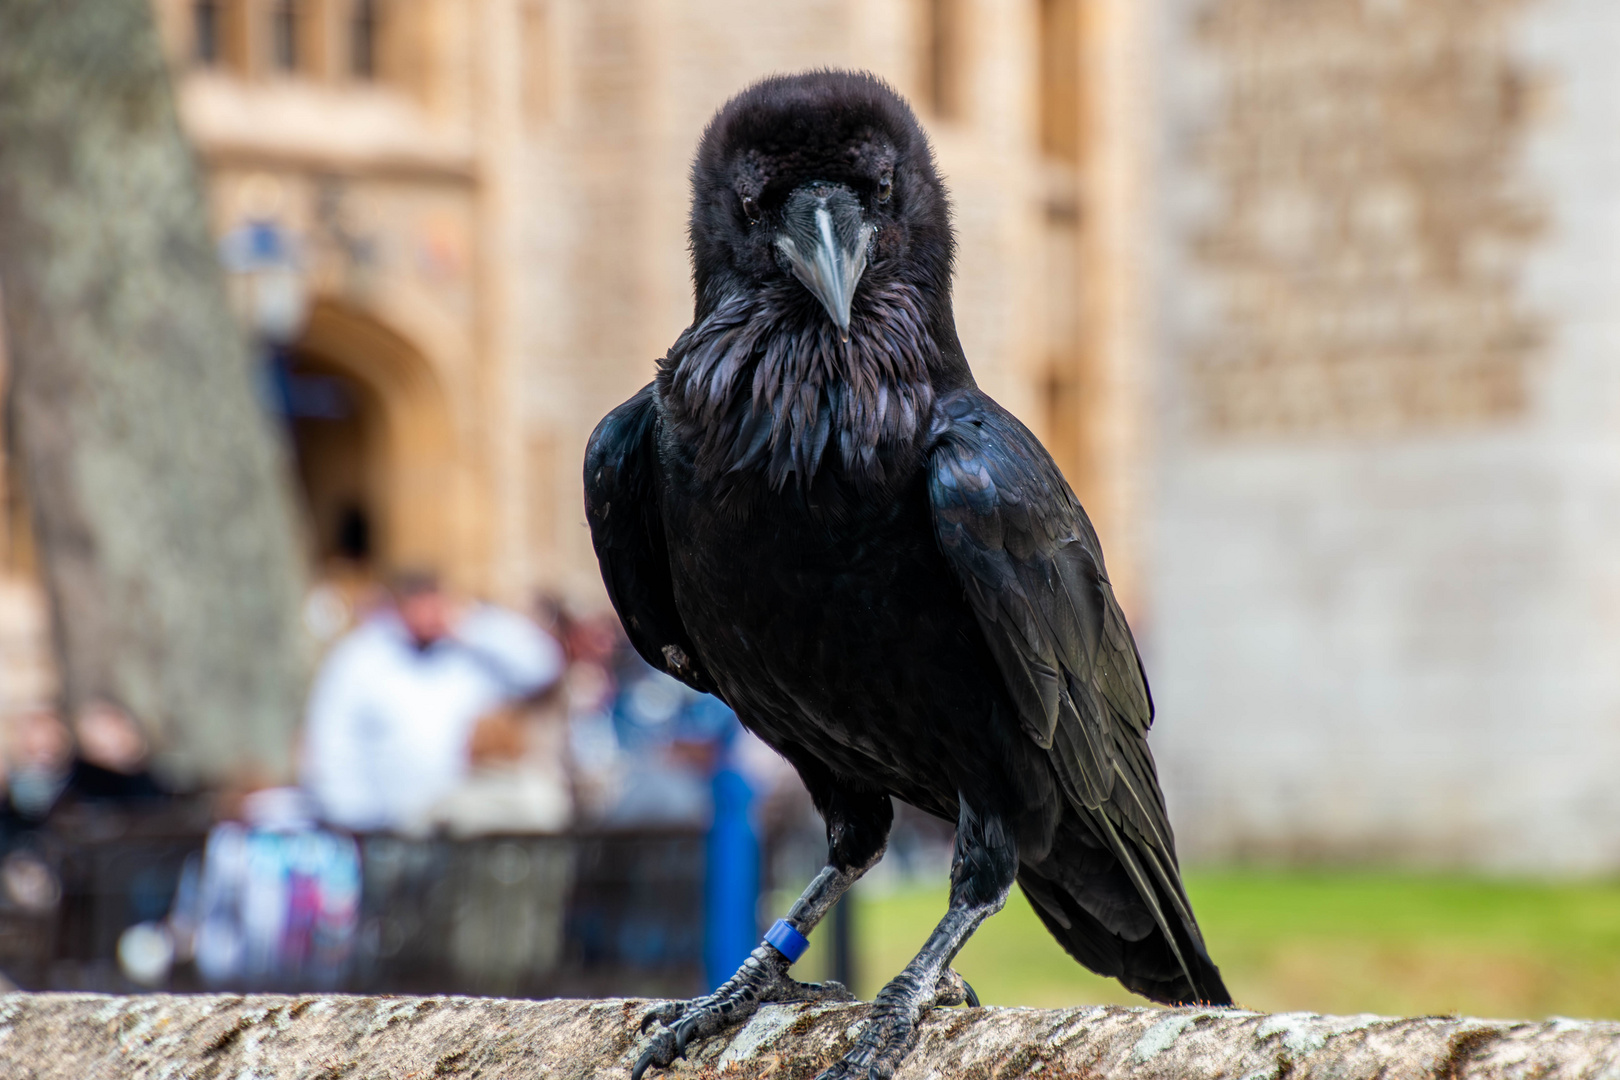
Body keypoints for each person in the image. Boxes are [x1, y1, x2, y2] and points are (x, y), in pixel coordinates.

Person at [298, 571, 564, 833]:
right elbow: (331, 739)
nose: (428, 614)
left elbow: (543, 664)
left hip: (467, 824)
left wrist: (474, 624)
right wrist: (355, 817)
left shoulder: (471, 650)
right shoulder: (362, 657)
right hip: (390, 830)